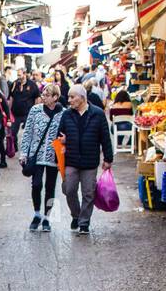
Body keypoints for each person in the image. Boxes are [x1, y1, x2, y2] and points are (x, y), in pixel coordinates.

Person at [57, 84, 114, 234]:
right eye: (69, 97)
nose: (69, 100)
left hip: (90, 161)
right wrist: (63, 140)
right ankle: (76, 215)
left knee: (88, 193)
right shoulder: (67, 114)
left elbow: (105, 138)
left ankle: (84, 222)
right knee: (69, 189)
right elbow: (59, 135)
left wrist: (108, 158)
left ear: (82, 98)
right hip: (71, 159)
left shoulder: (98, 113)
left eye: (72, 97)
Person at [19, 83, 64, 232]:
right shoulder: (35, 110)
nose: (42, 97)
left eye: (46, 95)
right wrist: (24, 153)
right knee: (36, 185)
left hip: (53, 156)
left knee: (50, 188)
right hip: (35, 155)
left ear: (55, 97)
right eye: (43, 94)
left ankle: (47, 218)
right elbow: (27, 133)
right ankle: (37, 213)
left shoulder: (63, 113)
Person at [9, 67, 40, 148]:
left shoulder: (32, 84)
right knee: (12, 132)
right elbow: (11, 98)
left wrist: (36, 111)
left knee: (29, 132)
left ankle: (28, 147)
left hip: (28, 113)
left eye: (20, 75)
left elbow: (37, 98)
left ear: (25, 74)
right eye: (17, 75)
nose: (18, 76)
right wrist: (9, 111)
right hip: (16, 113)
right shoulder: (14, 84)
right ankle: (14, 147)